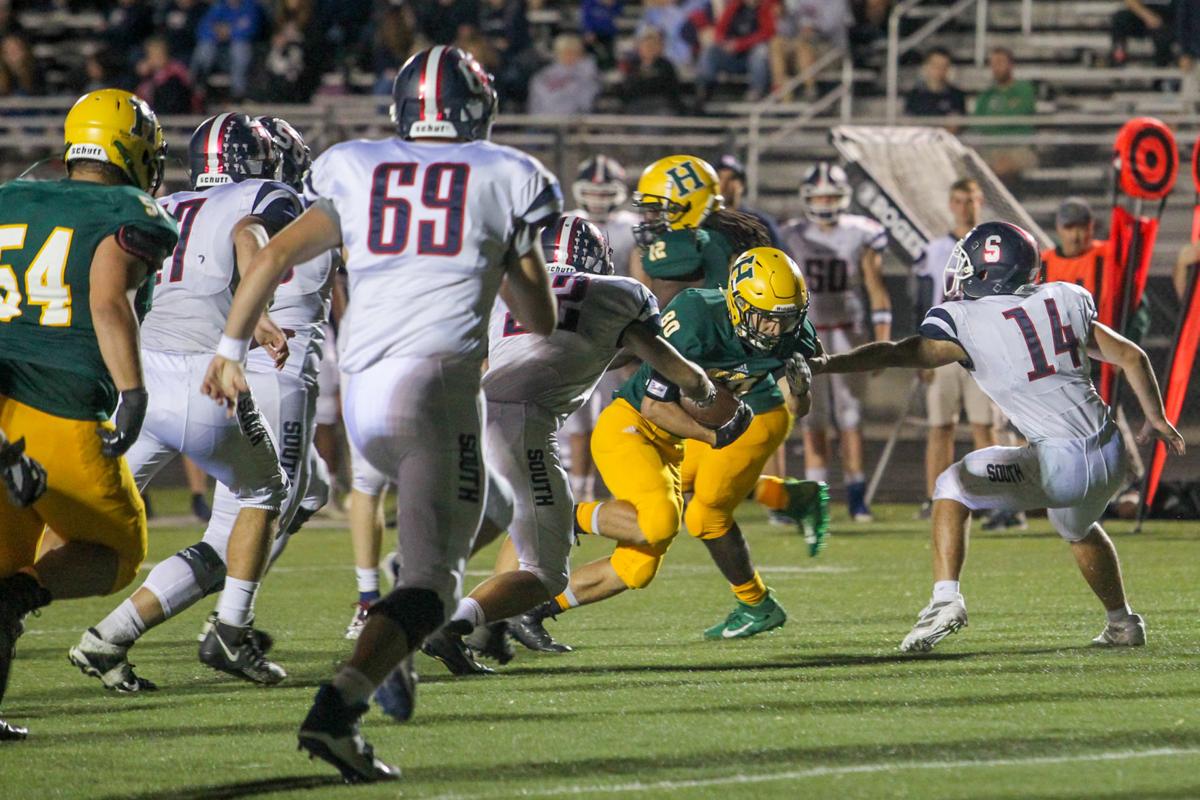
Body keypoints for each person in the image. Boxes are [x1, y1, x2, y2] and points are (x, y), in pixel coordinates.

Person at [201, 46, 560, 782]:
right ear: (479, 107)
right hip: (436, 387)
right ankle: (340, 707)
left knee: (487, 506)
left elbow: (268, 259)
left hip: (362, 390)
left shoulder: (354, 163)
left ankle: (396, 618)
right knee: (437, 583)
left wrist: (228, 347)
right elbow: (541, 316)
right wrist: (506, 258)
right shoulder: (508, 173)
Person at [811, 221, 1185, 652]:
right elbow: (1131, 356)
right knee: (1077, 526)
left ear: (989, 270)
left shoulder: (967, 320)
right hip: (1110, 454)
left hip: (1058, 464)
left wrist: (826, 363)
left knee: (952, 485)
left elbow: (897, 352)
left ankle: (945, 600)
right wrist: (1156, 418)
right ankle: (1123, 624)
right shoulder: (1063, 298)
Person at [417, 214, 718, 674]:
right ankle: (444, 618)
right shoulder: (622, 293)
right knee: (545, 571)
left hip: (467, 412)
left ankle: (445, 610)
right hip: (522, 423)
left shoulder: (506, 285)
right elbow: (662, 359)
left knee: (497, 521)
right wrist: (704, 388)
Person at [68, 114, 296, 692]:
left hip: (139, 378)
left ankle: (58, 619)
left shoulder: (165, 205)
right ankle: (232, 631)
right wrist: (254, 318)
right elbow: (251, 240)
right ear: (255, 160)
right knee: (266, 490)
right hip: (203, 375)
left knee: (83, 520)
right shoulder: (263, 195)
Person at [513, 247, 829, 651]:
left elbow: (797, 409)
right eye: (765, 317)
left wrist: (801, 389)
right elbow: (655, 406)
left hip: (672, 445)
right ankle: (557, 515)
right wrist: (716, 436)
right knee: (661, 521)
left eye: (784, 319)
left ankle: (529, 612)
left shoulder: (791, 331)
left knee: (637, 568)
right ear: (736, 304)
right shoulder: (697, 316)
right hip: (632, 424)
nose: (773, 330)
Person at [0, 89, 178, 739]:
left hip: (1, 407)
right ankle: (17, 600)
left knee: (3, 558)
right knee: (114, 553)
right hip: (62, 406)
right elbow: (107, 299)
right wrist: (132, 393)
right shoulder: (128, 209)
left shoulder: (9, 196)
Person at [781, 162, 890, 522]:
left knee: (850, 418)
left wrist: (882, 344)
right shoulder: (791, 235)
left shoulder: (862, 232)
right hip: (806, 334)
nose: (826, 202)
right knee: (812, 420)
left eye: (832, 195)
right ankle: (816, 497)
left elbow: (877, 289)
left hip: (847, 331)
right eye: (820, 196)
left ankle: (857, 496)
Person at [913, 179, 997, 518]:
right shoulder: (935, 250)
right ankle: (937, 497)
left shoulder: (995, 247)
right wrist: (922, 350)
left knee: (985, 427)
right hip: (945, 348)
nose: (965, 207)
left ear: (980, 202)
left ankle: (996, 501)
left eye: (971, 200)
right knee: (940, 426)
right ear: (950, 204)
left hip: (984, 351)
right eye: (959, 201)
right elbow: (921, 299)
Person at [561, 154, 641, 502]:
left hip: (616, 333)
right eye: (592, 191)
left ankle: (616, 489)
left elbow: (639, 279)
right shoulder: (566, 223)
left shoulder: (630, 226)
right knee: (577, 421)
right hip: (576, 329)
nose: (597, 198)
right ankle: (580, 493)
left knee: (613, 417)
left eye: (605, 191)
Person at [629, 153, 770, 307]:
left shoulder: (693, 246)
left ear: (687, 207)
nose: (649, 219)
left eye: (656, 211)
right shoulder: (729, 236)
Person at [972, 47, 1037, 180]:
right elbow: (977, 123)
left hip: (1019, 147)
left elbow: (1020, 116)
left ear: (1011, 65)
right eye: (993, 63)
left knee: (1003, 166)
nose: (996, 67)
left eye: (1000, 62)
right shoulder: (986, 94)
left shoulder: (1024, 89)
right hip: (990, 148)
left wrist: (994, 122)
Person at [696, 0, 776, 102]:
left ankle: (757, 92)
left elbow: (767, 33)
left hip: (753, 57)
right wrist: (724, 43)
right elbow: (719, 30)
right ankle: (705, 89)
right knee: (710, 51)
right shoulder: (734, 6)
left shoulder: (766, 7)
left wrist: (739, 45)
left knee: (761, 51)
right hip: (733, 56)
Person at [769, 0, 849, 101]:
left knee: (803, 45)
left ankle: (810, 89)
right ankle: (781, 90)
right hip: (801, 49)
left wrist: (812, 26)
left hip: (829, 49)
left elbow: (831, 26)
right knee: (776, 43)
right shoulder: (799, 2)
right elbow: (787, 32)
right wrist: (784, 17)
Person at [191, 0, 264, 100]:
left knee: (240, 48)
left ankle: (238, 93)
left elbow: (250, 30)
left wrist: (229, 31)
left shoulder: (250, 6)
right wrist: (218, 33)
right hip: (219, 51)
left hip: (243, 51)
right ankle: (196, 88)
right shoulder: (219, 6)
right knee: (205, 47)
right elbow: (202, 30)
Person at [1041, 197, 1105, 297]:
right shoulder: (1042, 263)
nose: (1075, 236)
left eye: (1081, 228)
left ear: (1091, 228)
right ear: (1058, 228)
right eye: (1069, 228)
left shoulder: (1106, 256)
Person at [716, 153, 784, 247]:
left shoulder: (760, 223)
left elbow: (778, 256)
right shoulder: (703, 223)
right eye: (720, 178)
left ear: (742, 184)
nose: (725, 184)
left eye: (732, 178)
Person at [527, 33, 601, 116]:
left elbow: (586, 103)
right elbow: (535, 104)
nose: (567, 56)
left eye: (572, 52)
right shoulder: (542, 76)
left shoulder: (587, 74)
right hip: (545, 122)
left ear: (580, 54)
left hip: (574, 122)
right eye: (563, 52)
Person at [616, 26, 684, 115]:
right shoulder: (633, 66)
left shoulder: (666, 66)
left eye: (653, 45)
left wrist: (644, 80)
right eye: (646, 45)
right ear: (639, 48)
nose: (649, 48)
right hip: (636, 105)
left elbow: (666, 88)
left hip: (661, 105)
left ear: (659, 48)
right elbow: (628, 89)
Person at [134, 35, 196, 115]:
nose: (156, 58)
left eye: (159, 54)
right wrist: (137, 76)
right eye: (152, 55)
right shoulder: (147, 77)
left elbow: (186, 88)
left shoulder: (176, 70)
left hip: (177, 113)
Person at [904, 47, 966, 120]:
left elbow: (954, 126)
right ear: (926, 66)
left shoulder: (957, 96)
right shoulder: (913, 95)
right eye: (935, 65)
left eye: (944, 66)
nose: (939, 70)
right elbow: (909, 123)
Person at [1112, 0, 1175, 67]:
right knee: (1120, 19)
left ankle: (1163, 67)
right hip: (1143, 13)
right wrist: (1147, 16)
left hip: (1168, 14)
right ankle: (1119, 58)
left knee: (1163, 32)